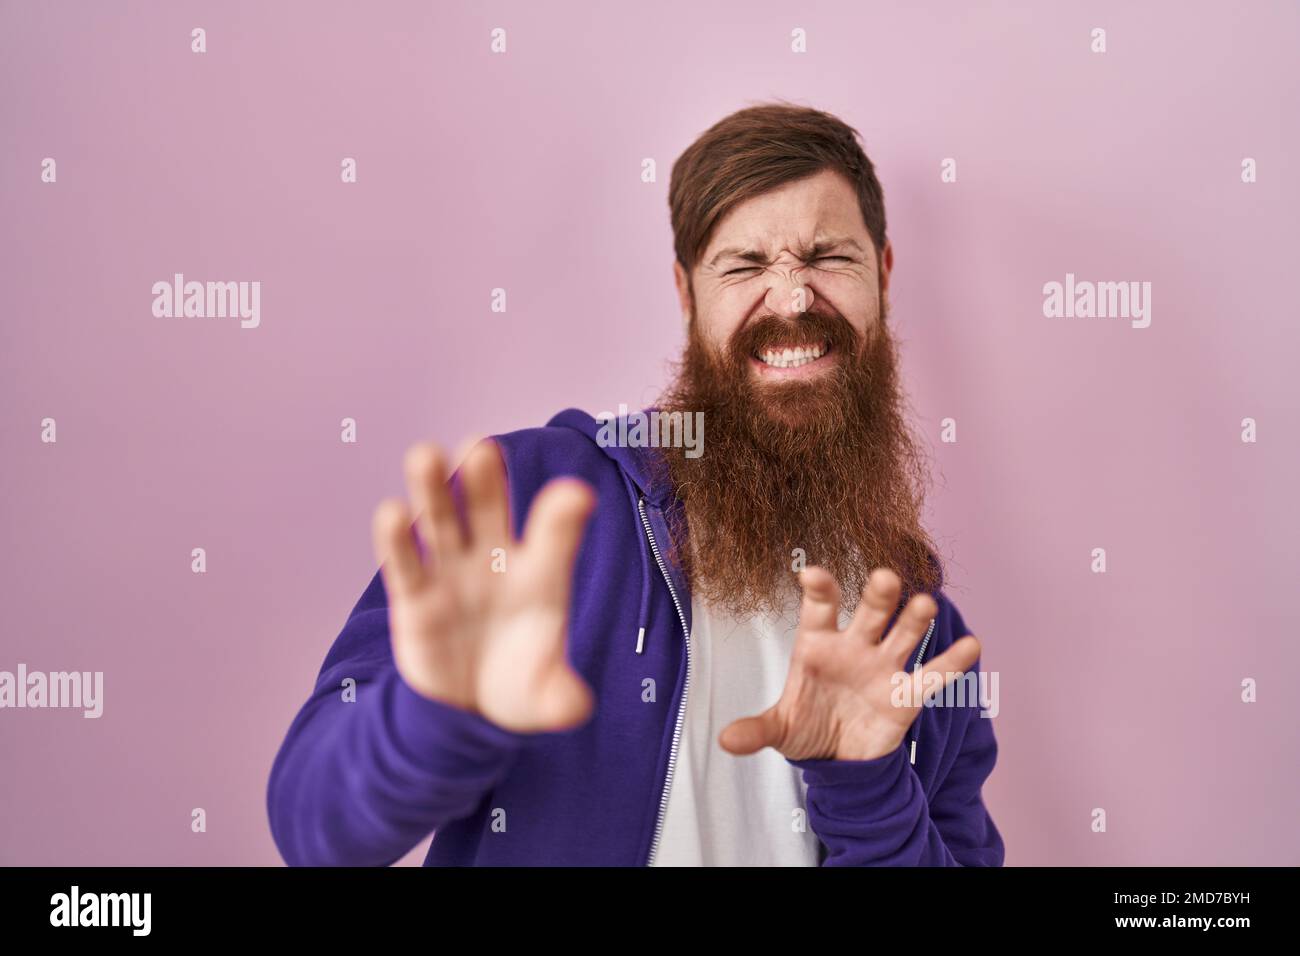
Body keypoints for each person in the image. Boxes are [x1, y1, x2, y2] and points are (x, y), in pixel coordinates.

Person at [267, 102, 1004, 866]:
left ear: (882, 275)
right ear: (688, 296)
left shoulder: (923, 641)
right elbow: (313, 833)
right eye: (745, 266)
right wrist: (431, 716)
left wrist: (867, 789)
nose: (791, 299)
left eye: (829, 257)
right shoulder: (532, 501)